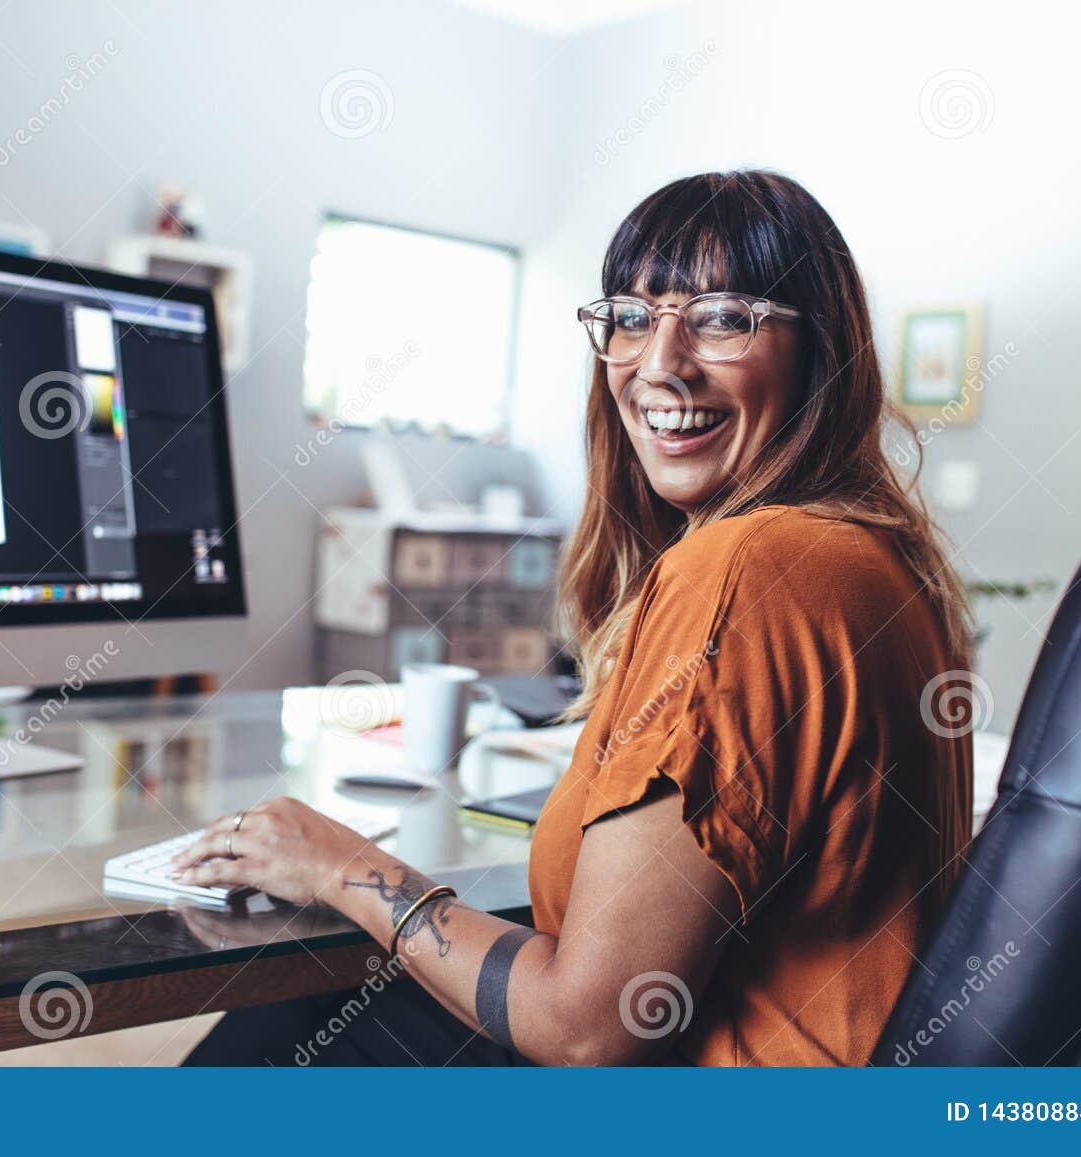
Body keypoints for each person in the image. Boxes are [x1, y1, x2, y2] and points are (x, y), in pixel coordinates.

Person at [177, 169, 973, 1067]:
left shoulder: (750, 566)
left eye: (721, 318)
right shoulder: (874, 557)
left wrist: (341, 865)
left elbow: (587, 1025)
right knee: (315, 1010)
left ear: (820, 351)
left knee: (280, 1034)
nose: (660, 363)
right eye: (631, 317)